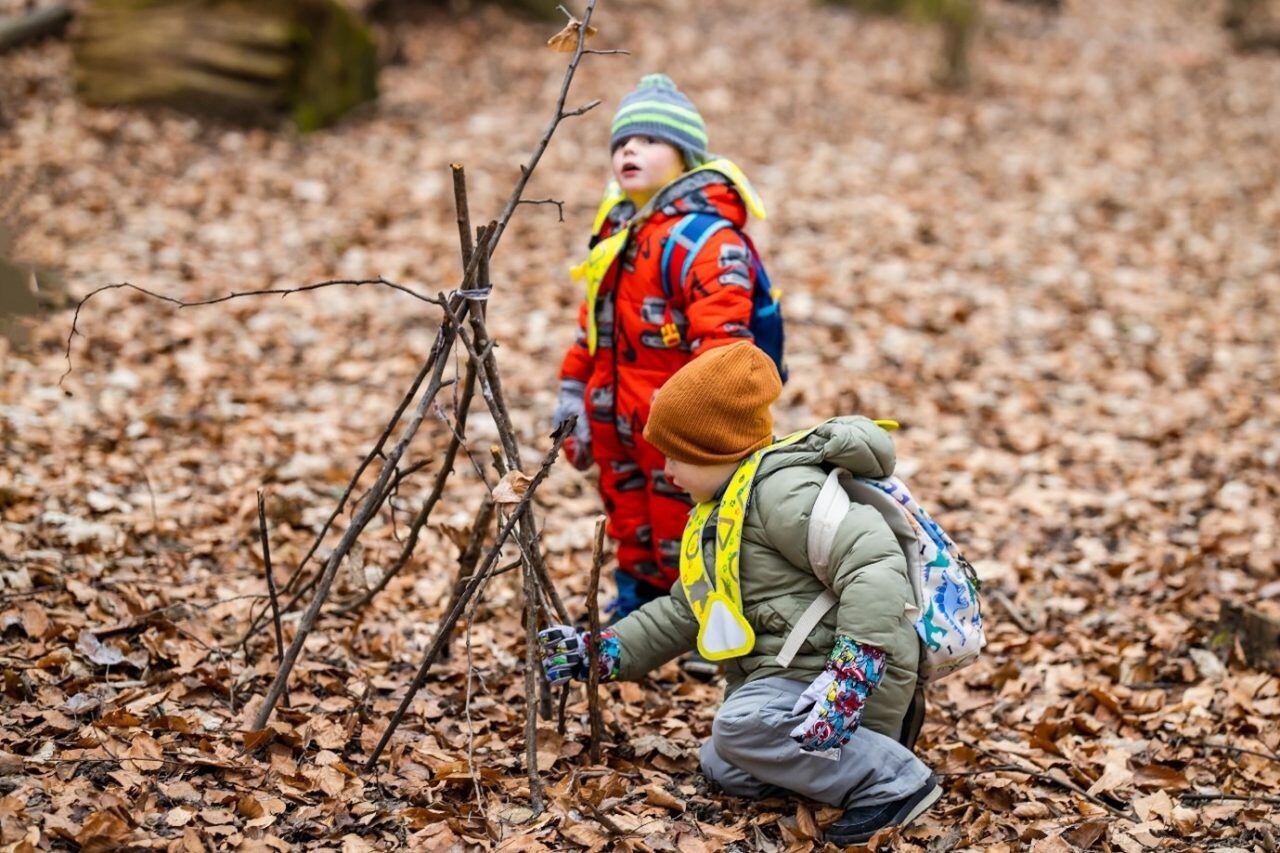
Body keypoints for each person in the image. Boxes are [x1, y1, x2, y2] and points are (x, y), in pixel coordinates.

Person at [539, 342, 940, 846]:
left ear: (715, 450)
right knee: (722, 761)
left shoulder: (782, 491)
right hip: (797, 682)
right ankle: (840, 766)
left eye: (676, 456)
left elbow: (875, 563)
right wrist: (603, 651)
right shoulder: (720, 511)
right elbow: (684, 611)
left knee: (739, 727)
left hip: (849, 682)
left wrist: (852, 672)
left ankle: (896, 782)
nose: (667, 470)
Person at [552, 73, 779, 632]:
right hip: (617, 421)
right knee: (628, 519)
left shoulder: (706, 242)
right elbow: (593, 326)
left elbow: (724, 347)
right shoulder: (618, 232)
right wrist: (573, 393)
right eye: (622, 142)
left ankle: (708, 624)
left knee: (692, 522)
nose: (630, 150)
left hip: (677, 427)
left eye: (650, 140)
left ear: (686, 158)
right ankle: (638, 607)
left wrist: (707, 428)